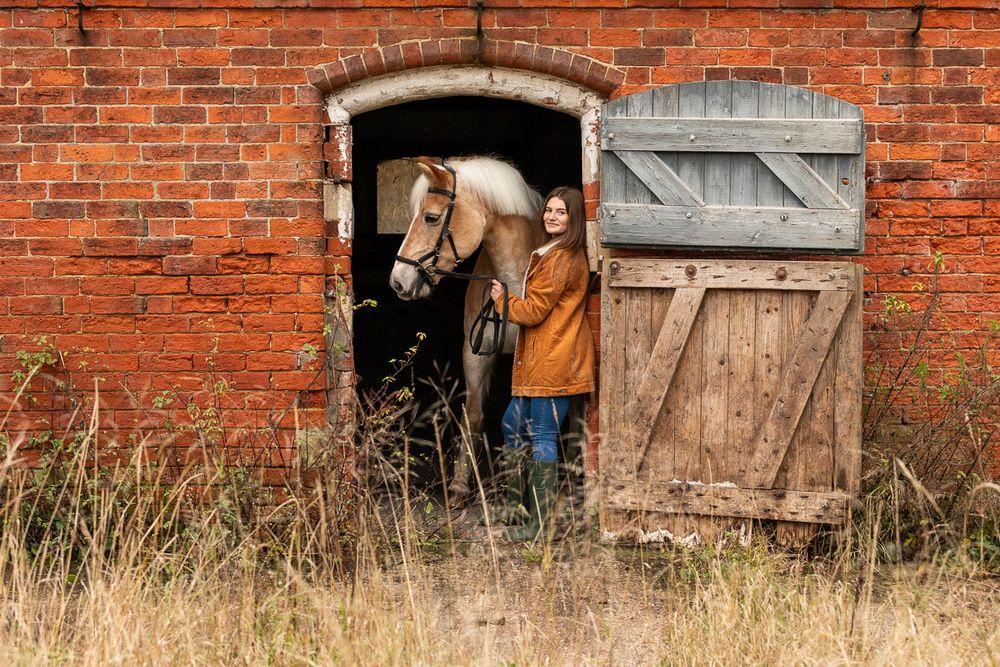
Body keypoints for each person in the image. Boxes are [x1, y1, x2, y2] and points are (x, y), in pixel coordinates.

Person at [487, 186, 596, 542]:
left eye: (561, 212)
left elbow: (533, 311)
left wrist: (504, 301)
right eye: (549, 210)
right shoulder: (551, 253)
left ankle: (541, 525)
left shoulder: (561, 259)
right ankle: (518, 509)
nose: (551, 216)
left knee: (544, 437)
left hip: (555, 362)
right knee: (511, 425)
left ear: (573, 219)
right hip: (540, 361)